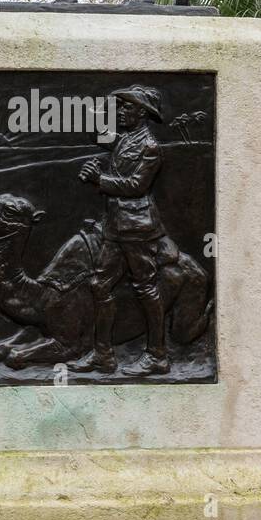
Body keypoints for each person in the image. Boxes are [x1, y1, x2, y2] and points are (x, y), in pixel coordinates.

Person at [72, 85, 177, 377]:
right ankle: (103, 355)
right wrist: (95, 111)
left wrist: (98, 179)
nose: (121, 112)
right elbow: (97, 134)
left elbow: (136, 186)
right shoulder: (126, 138)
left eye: (126, 107)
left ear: (142, 113)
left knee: (145, 287)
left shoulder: (150, 147)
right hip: (116, 226)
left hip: (138, 228)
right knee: (99, 285)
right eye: (119, 107)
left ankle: (157, 355)